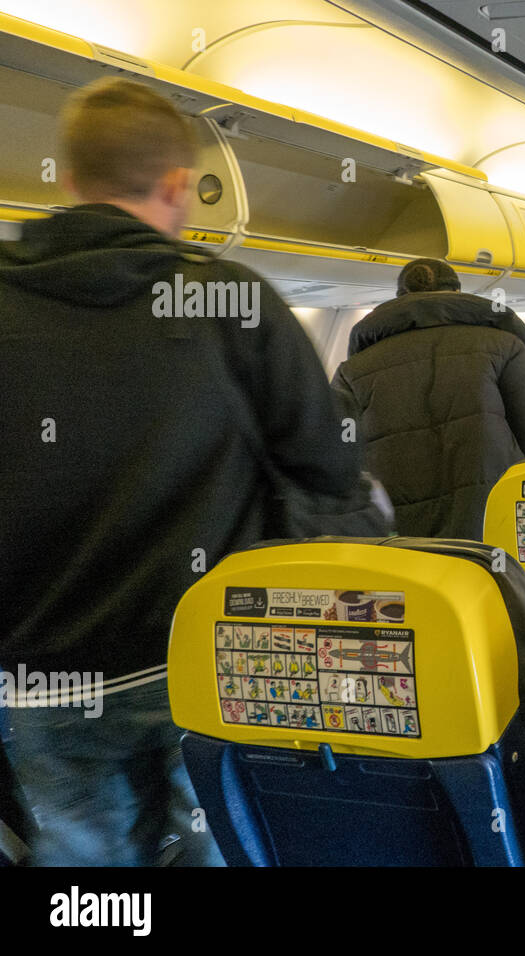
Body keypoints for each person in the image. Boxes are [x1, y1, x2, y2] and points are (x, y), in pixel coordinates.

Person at [0, 78, 364, 866]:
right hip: (204, 652)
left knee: (85, 872)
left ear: (64, 181)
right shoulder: (228, 299)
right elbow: (331, 473)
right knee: (220, 844)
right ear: (176, 188)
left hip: (41, 674)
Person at [332, 258, 525, 538]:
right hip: (490, 526)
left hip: (402, 538)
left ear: (400, 299)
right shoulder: (505, 346)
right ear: (457, 293)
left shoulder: (352, 371)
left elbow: (339, 465)